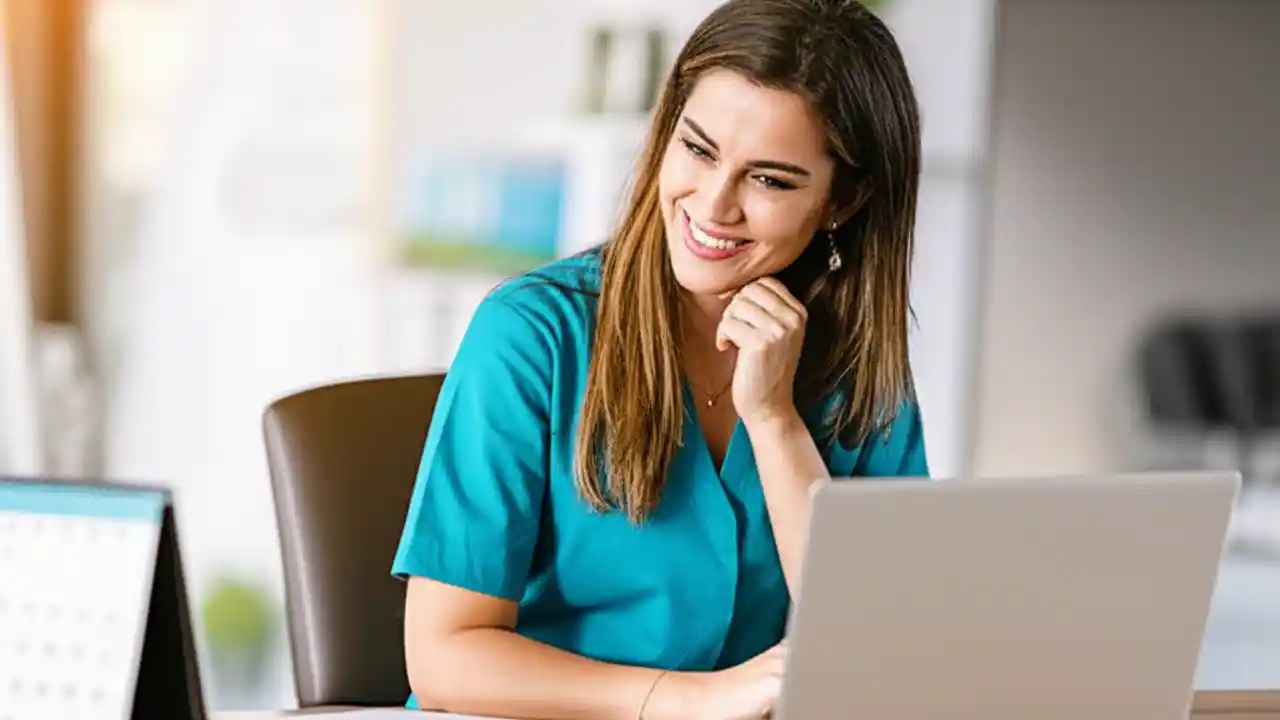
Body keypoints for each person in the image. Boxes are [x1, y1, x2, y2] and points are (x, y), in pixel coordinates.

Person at [391, 0, 928, 717]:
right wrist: (689, 700)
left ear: (843, 201)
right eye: (698, 150)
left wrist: (773, 422)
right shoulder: (531, 333)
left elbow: (883, 647)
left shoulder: (860, 370)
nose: (712, 205)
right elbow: (445, 657)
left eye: (768, 179)